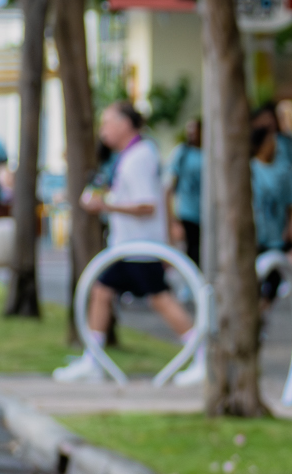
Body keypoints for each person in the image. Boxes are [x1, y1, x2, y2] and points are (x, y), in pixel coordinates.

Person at [54, 102, 197, 382]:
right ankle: (93, 359)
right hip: (126, 246)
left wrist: (105, 205)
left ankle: (202, 352)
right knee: (101, 292)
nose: (103, 130)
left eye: (107, 123)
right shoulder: (130, 156)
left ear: (124, 125)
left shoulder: (140, 157)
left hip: (140, 246)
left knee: (160, 299)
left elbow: (147, 205)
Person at [250, 124, 292, 307]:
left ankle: (262, 317)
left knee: (272, 284)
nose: (275, 145)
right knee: (253, 284)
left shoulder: (284, 171)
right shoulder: (249, 170)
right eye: (270, 141)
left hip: (277, 237)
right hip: (255, 237)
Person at [165, 119, 204, 265]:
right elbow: (168, 186)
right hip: (187, 214)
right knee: (190, 256)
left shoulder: (210, 153)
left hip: (205, 216)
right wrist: (173, 221)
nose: (191, 133)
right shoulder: (182, 153)